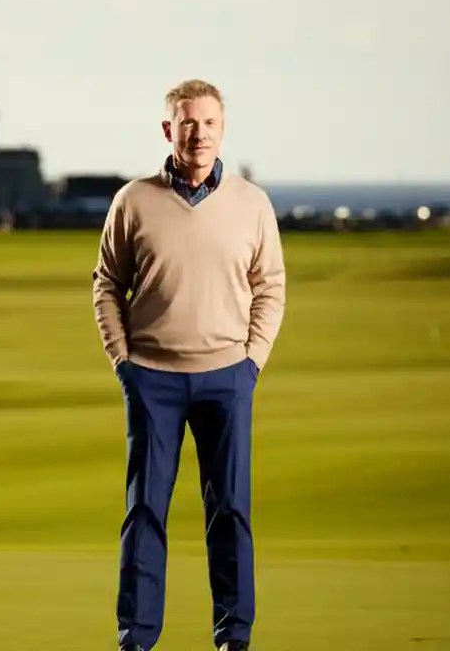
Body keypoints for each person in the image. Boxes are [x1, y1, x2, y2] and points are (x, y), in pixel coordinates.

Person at [92, 79, 286, 651]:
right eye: (187, 122)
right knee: (145, 511)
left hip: (228, 377)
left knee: (230, 511)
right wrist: (122, 359)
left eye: (208, 123)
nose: (198, 133)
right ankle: (137, 637)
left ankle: (234, 637)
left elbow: (270, 287)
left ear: (222, 129)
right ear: (168, 130)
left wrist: (253, 361)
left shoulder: (252, 203)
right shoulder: (133, 200)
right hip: (151, 377)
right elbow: (107, 284)